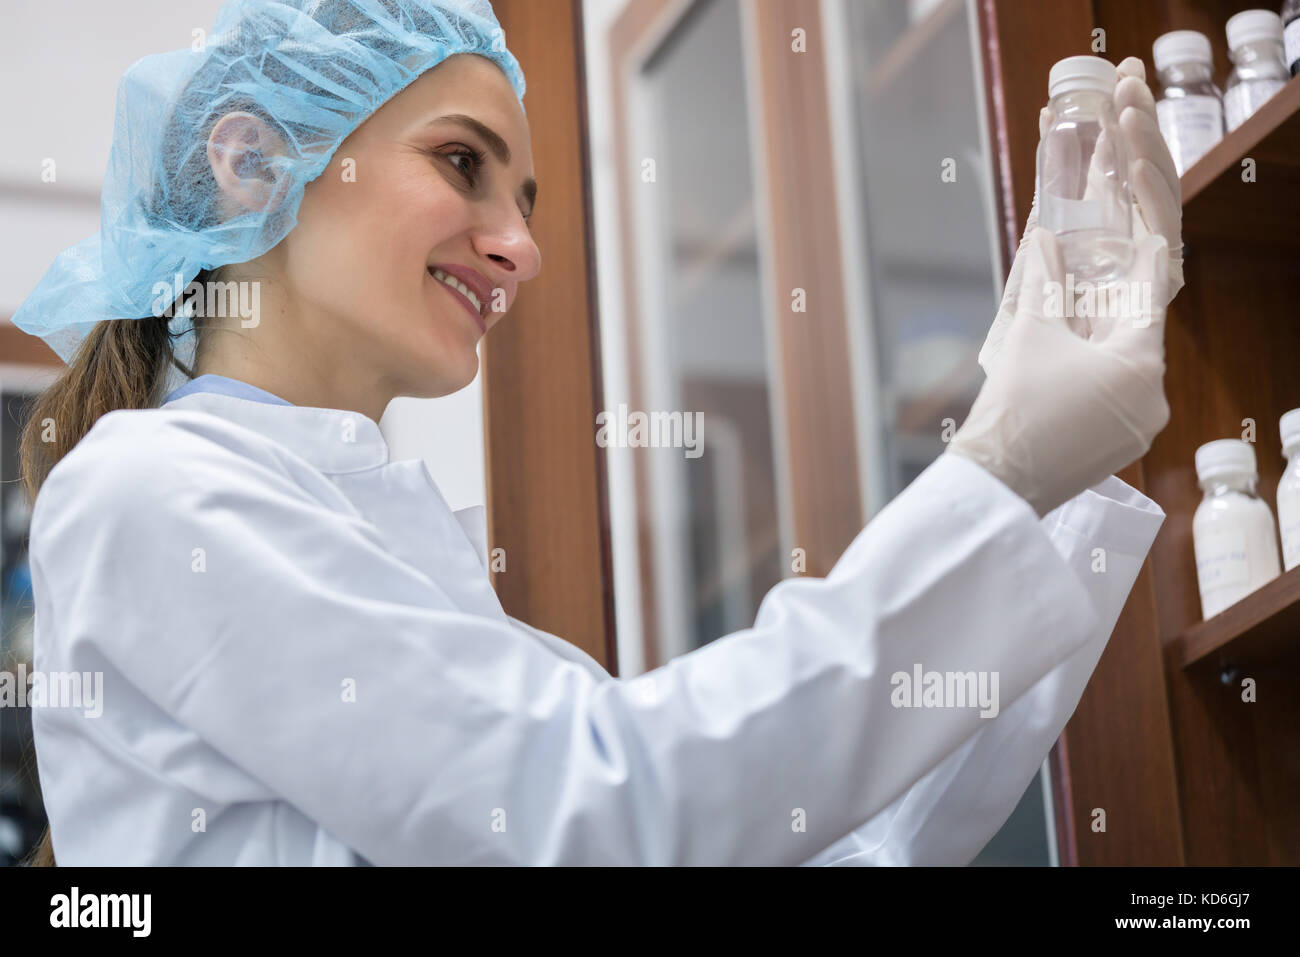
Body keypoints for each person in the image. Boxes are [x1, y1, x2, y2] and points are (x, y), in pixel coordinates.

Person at [12, 0, 1183, 866]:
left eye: (521, 204)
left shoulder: (385, 551)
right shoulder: (149, 490)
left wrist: (1048, 479)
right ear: (254, 159)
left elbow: (822, 848)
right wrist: (994, 467)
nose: (518, 247)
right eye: (461, 162)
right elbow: (603, 814)